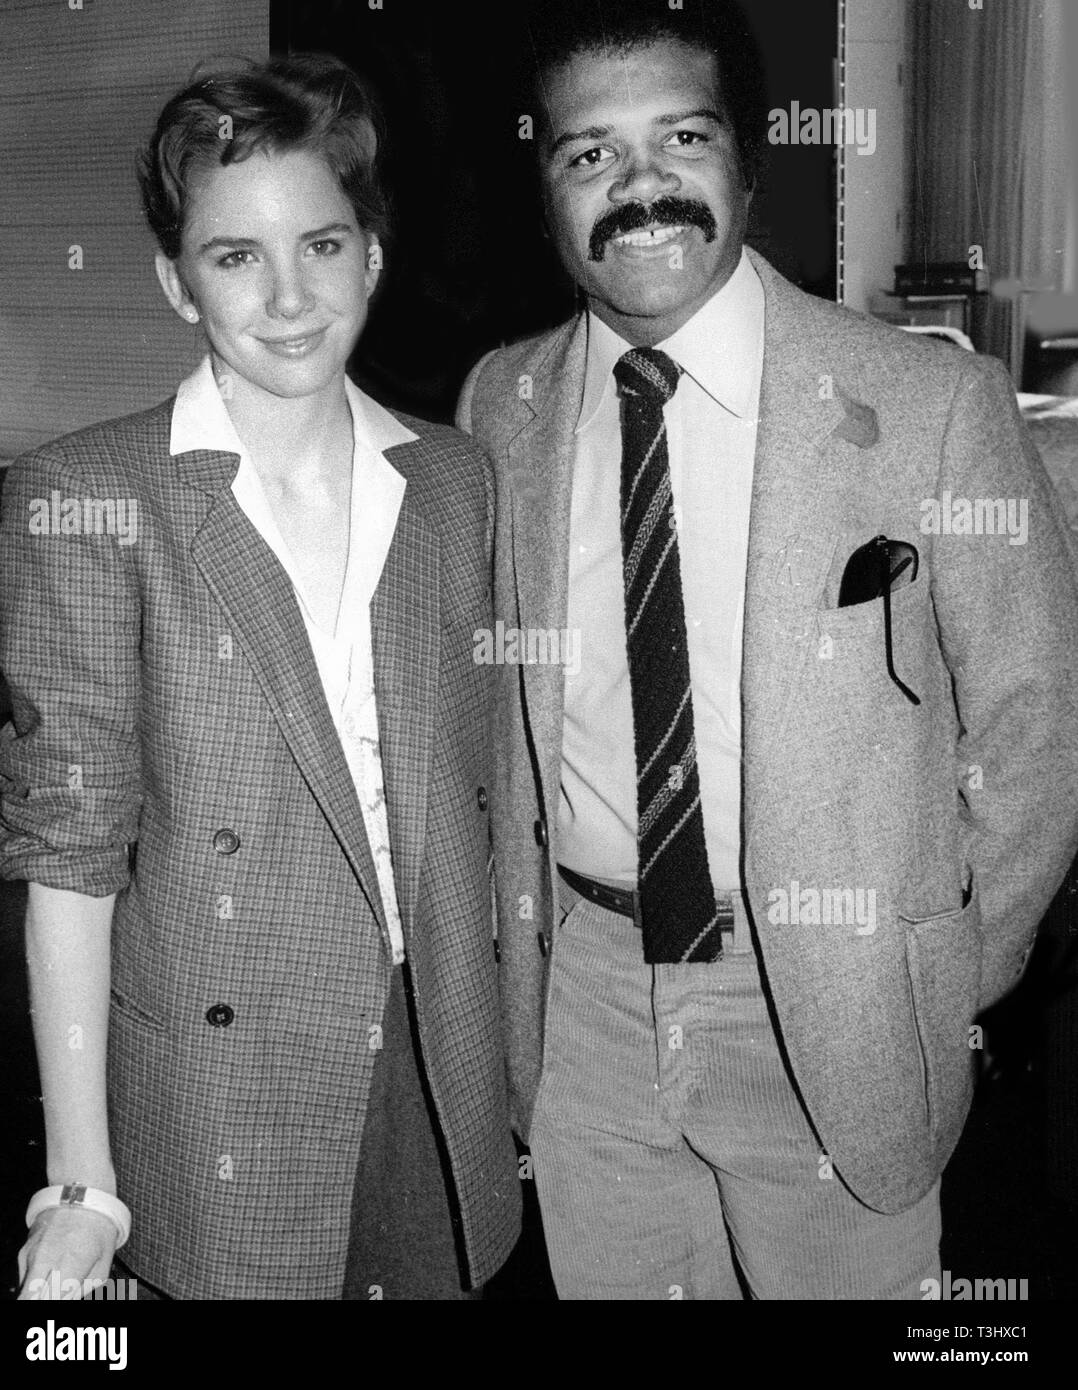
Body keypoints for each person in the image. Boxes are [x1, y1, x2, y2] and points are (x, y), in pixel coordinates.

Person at [457, 0, 1078, 1299]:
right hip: (584, 1006)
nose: (637, 187)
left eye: (679, 138)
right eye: (587, 154)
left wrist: (939, 966)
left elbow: (1039, 727)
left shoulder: (927, 407)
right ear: (546, 191)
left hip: (831, 1006)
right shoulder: (500, 404)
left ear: (744, 162)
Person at [0, 53, 520, 1300]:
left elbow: (488, 801)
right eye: (236, 257)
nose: (289, 295)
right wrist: (80, 1185)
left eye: (322, 246)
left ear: (373, 256)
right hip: (223, 1082)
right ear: (178, 283)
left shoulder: (453, 483)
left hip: (434, 1062)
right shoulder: (87, 498)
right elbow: (69, 855)